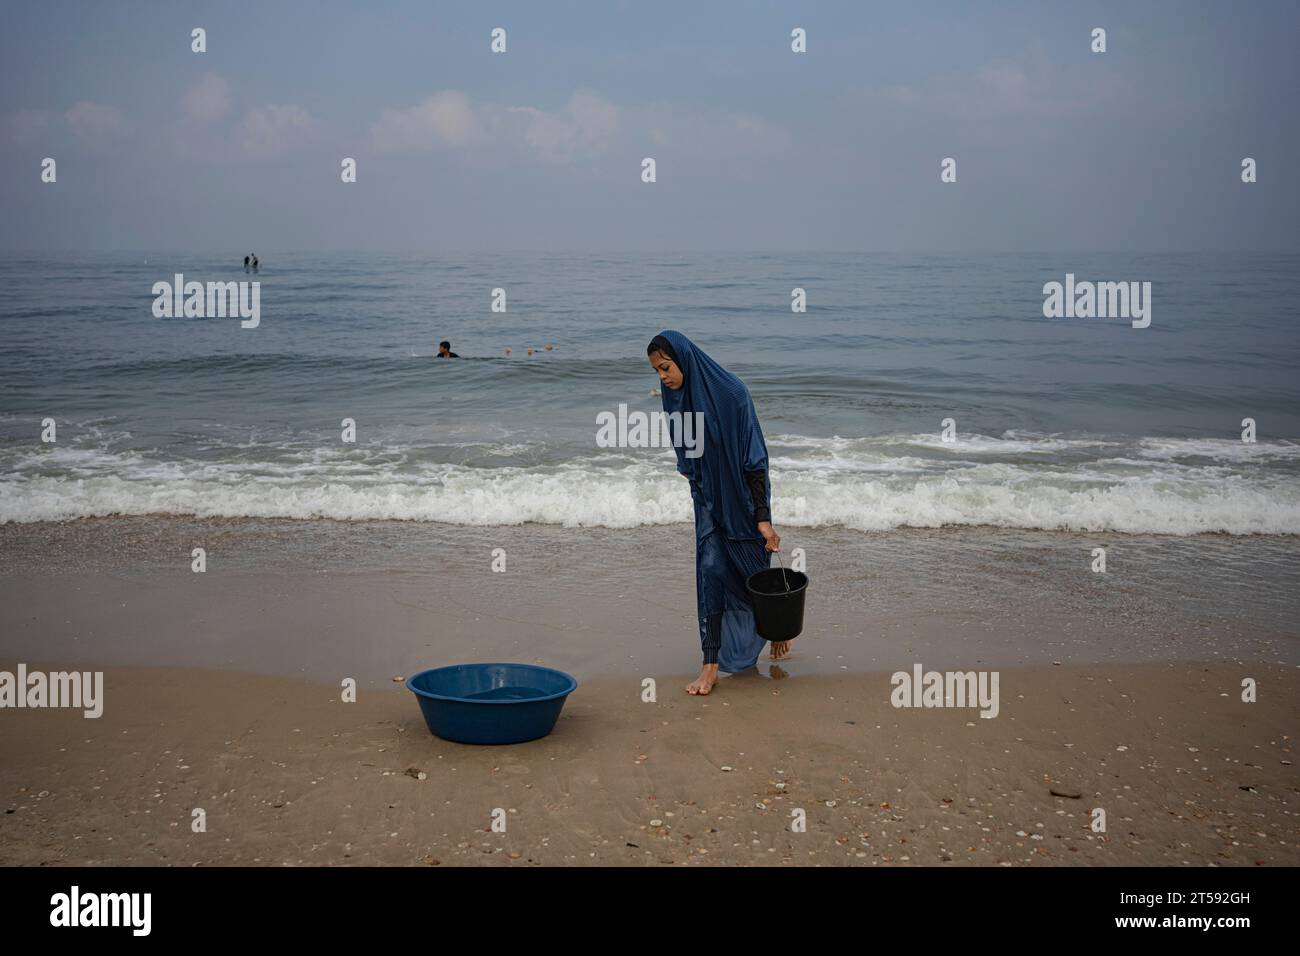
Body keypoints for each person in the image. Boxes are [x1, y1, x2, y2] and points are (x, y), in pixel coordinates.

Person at [647, 330, 789, 696]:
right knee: (710, 571)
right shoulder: (675, 398)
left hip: (742, 500)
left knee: (753, 575)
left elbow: (755, 460)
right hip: (707, 499)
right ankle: (709, 665)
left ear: (685, 359)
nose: (662, 378)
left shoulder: (732, 394)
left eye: (666, 368)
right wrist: (699, 483)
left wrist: (763, 517)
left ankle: (776, 631)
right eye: (657, 372)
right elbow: (687, 459)